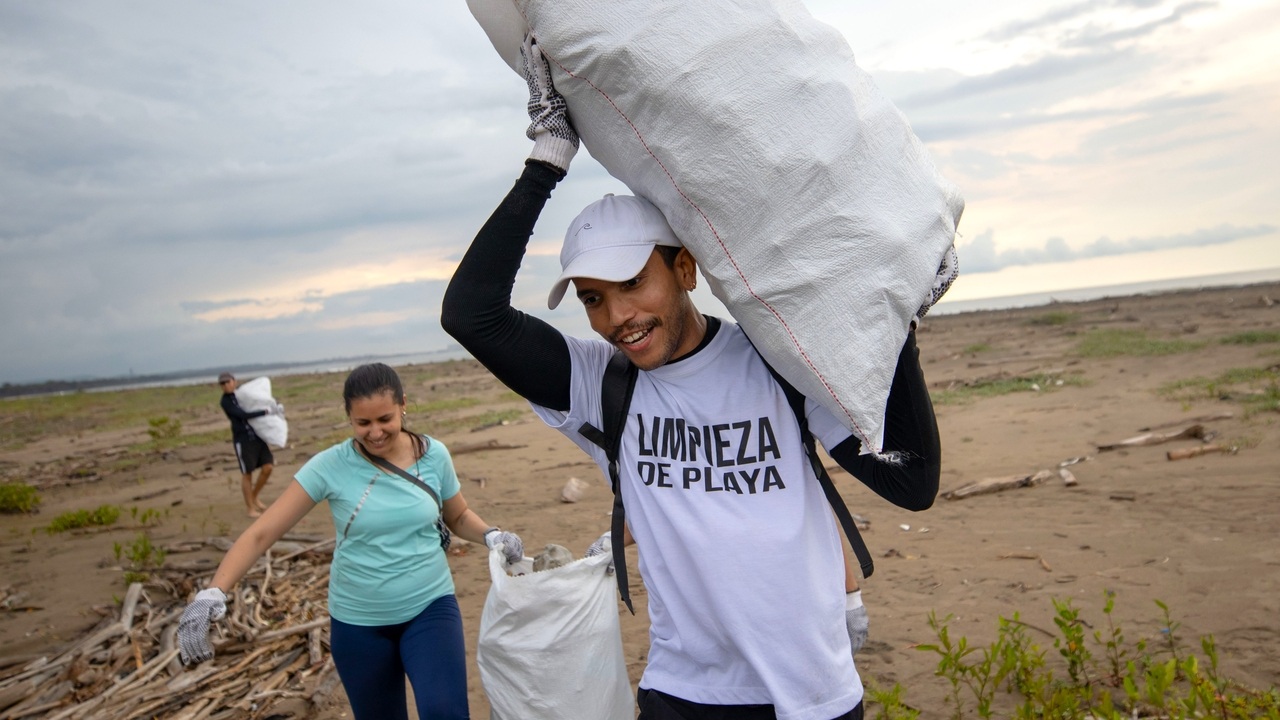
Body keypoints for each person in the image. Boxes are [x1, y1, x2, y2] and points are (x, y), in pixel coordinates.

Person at [440, 36, 942, 720]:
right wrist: (547, 157)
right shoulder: (600, 386)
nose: (616, 317)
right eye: (591, 297)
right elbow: (472, 314)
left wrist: (897, 330)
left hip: (813, 696)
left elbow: (910, 483)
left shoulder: (775, 360)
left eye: (630, 283)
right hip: (683, 694)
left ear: (683, 270)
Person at [181, 363, 524, 720]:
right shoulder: (329, 466)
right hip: (358, 624)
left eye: (385, 419)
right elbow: (261, 533)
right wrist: (214, 592)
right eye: (363, 423)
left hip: (430, 609)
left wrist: (491, 535)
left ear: (403, 405)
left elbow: (457, 516)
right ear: (349, 417)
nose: (375, 433)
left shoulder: (433, 454)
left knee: (445, 712)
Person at [218, 372, 278, 517]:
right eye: (223, 384)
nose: (226, 385)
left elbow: (259, 399)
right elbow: (242, 415)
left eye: (228, 382)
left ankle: (254, 496)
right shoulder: (225, 401)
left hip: (257, 436)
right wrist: (264, 412)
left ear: (234, 381)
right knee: (247, 473)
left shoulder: (243, 395)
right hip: (243, 440)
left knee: (268, 467)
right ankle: (250, 508)